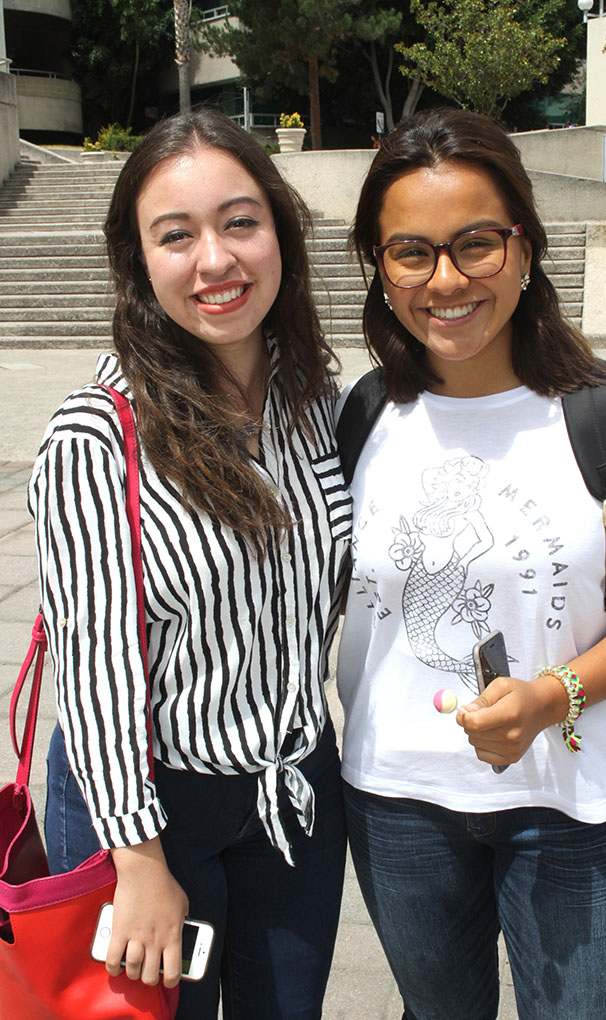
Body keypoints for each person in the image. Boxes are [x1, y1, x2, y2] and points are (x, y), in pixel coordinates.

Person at [335, 106, 606, 1020]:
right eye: (411, 252)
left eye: (475, 244)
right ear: (380, 270)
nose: (445, 279)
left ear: (524, 249)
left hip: (579, 802)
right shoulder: (359, 418)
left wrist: (549, 697)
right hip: (398, 798)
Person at [29, 108, 351, 1020]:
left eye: (240, 222)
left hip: (293, 792)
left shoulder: (312, 399)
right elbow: (94, 664)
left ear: (281, 231)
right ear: (140, 263)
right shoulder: (101, 434)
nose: (216, 260)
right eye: (178, 236)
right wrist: (138, 861)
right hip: (151, 807)